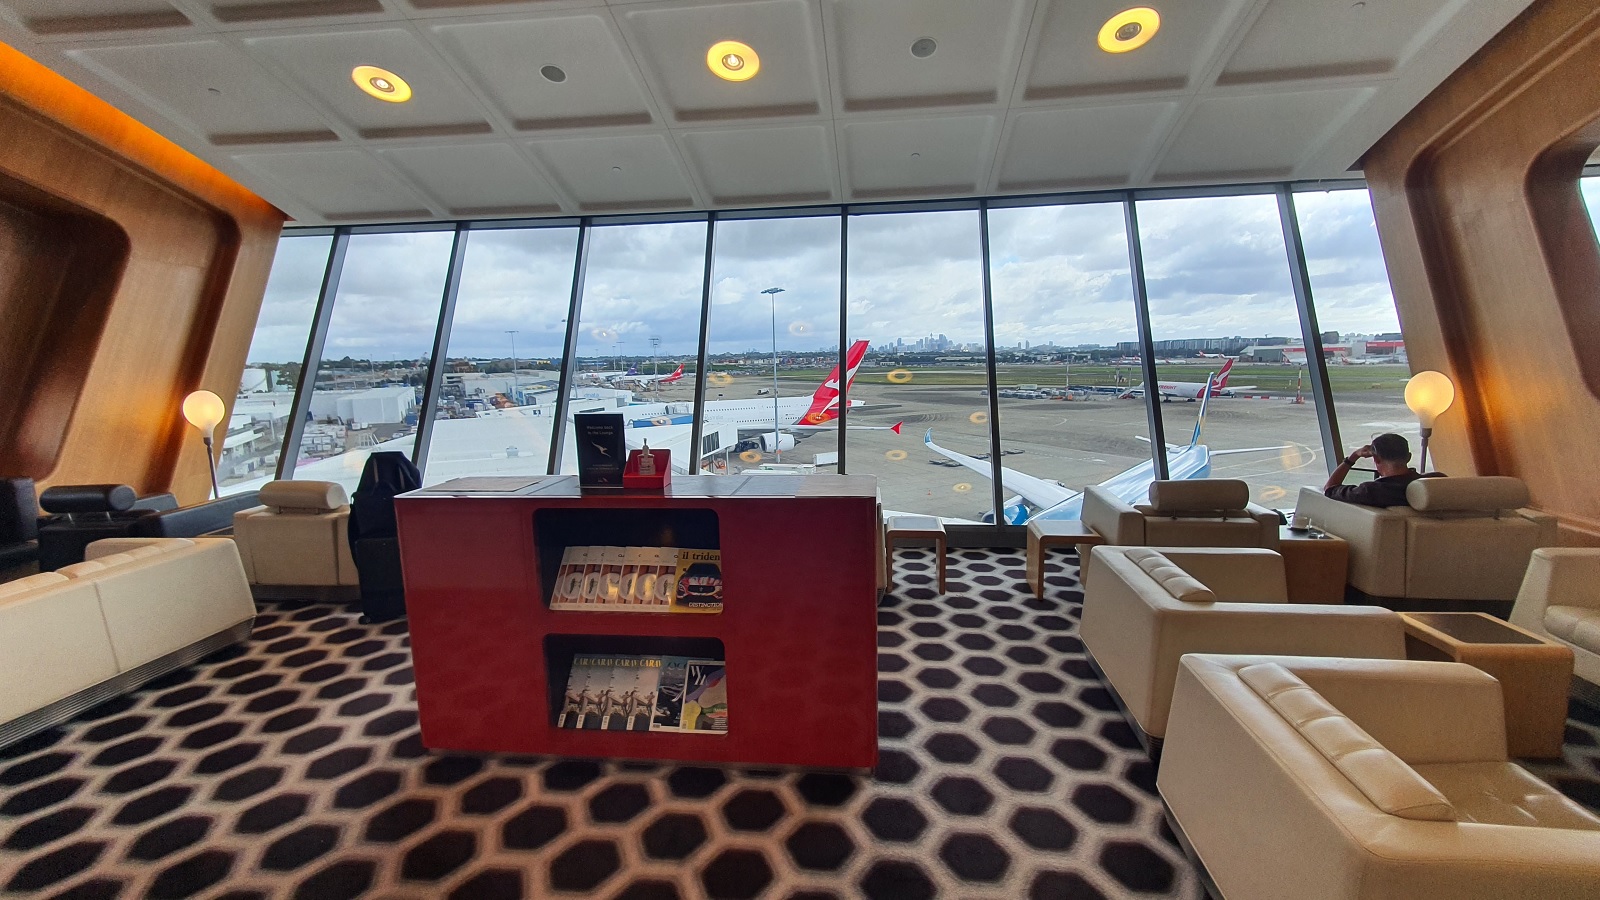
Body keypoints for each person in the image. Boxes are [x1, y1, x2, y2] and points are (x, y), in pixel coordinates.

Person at [1322, 433, 1439, 508]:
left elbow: (1329, 488)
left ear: (1376, 459)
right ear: (1408, 457)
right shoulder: (1438, 482)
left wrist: (1353, 457)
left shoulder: (1371, 491)